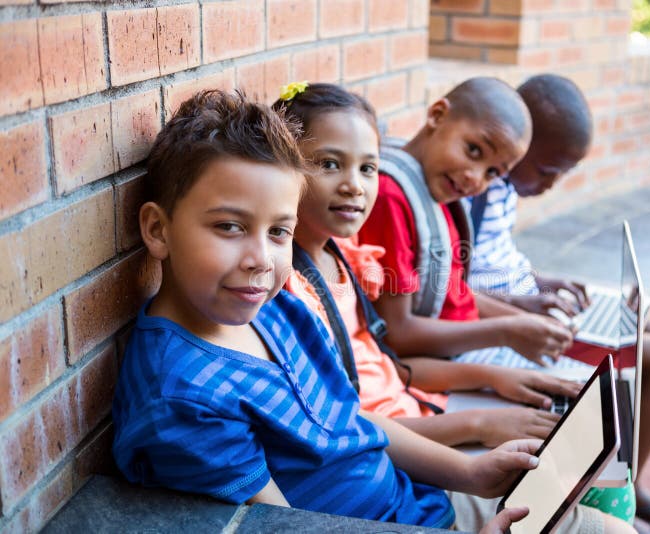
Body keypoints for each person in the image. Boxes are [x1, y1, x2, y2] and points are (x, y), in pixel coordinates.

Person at [110, 89, 548, 533]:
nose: (261, 259)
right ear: (157, 229)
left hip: (418, 496)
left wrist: (471, 473)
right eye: (230, 226)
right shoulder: (182, 399)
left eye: (279, 231)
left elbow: (351, 421)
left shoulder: (276, 306)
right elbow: (281, 528)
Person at [276, 81, 634, 534]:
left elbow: (389, 364)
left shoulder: (343, 255)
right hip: (410, 451)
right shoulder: (290, 289)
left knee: (606, 458)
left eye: (368, 167)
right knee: (604, 489)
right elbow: (359, 411)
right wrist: (479, 422)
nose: (354, 184)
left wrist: (497, 374)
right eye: (330, 164)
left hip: (425, 411)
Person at [466, 74, 650, 534]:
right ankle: (627, 480)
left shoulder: (503, 189)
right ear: (521, 145)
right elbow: (459, 283)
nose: (551, 186)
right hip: (504, 326)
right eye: (547, 170)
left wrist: (542, 281)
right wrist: (527, 302)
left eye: (563, 175)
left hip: (527, 307)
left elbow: (497, 263)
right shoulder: (475, 186)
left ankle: (631, 474)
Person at [357, 77, 576, 369]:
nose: (475, 178)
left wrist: (520, 314)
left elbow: (447, 292)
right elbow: (398, 333)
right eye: (474, 150)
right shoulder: (390, 197)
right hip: (442, 362)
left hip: (466, 343)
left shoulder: (436, 193)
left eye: (492, 173)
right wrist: (507, 332)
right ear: (437, 115)